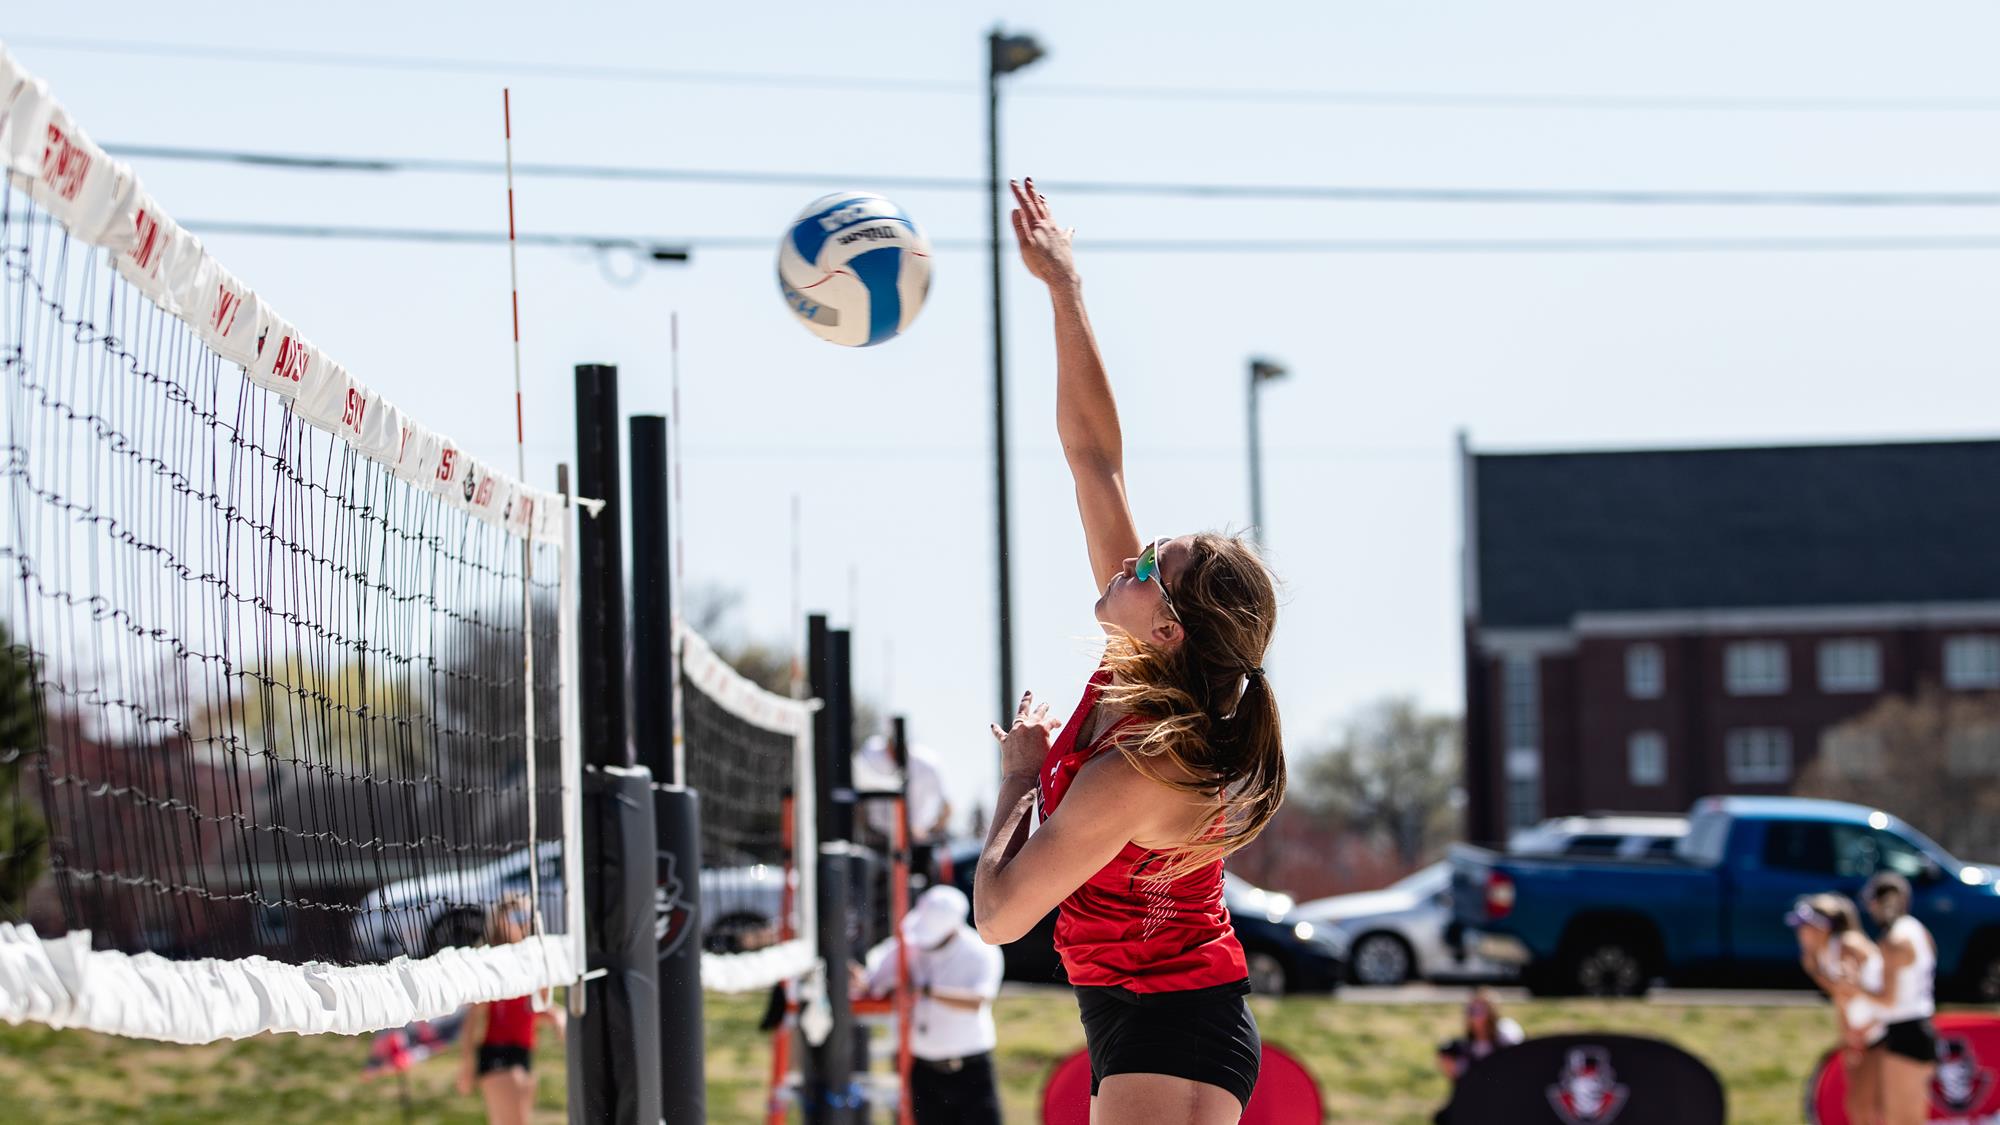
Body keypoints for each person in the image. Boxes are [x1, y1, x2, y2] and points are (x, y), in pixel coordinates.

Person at [973, 177, 1287, 1125]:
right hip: (1159, 1016)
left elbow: (998, 916)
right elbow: (1095, 458)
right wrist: (1064, 288)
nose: (1135, 554)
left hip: (1165, 1030)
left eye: (1155, 562)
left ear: (1171, 626)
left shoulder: (1143, 763)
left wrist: (1019, 777)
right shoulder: (1142, 661)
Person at [851, 884, 1005, 1124]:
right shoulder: (908, 946)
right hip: (922, 1068)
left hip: (970, 1066)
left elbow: (978, 1001)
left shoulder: (980, 951)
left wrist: (925, 991)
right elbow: (870, 981)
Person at [1833, 872, 1938, 1125]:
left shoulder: (1894, 941)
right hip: (1916, 1029)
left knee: (1901, 1120)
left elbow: (1889, 1001)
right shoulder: (1918, 930)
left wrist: (1854, 988)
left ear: (1877, 903)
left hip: (1906, 1033)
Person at [456, 894, 563, 1125]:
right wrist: (467, 1065)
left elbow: (533, 1009)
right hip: (498, 1055)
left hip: (522, 1054)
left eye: (527, 916)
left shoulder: (530, 963)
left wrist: (557, 1016)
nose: (525, 922)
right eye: (519, 916)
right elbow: (473, 1020)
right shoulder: (493, 966)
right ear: (502, 921)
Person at [1789, 893, 1883, 1124]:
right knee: (1857, 1106)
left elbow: (1886, 991)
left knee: (1874, 1108)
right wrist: (1847, 1035)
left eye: (1805, 926)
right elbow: (1840, 998)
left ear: (1823, 927)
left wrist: (1863, 1029)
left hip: (1884, 1032)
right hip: (1863, 1034)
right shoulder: (1816, 956)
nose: (1799, 932)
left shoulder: (1848, 944)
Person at [858, 731, 953, 882]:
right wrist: (867, 829)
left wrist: (928, 831)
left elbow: (947, 807)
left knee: (921, 884)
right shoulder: (871, 754)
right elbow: (860, 800)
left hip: (917, 841)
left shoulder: (928, 763)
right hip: (880, 838)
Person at [1432, 989, 1525, 1124]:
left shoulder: (1505, 1033)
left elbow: (1518, 1062)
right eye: (1470, 1010)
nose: (1473, 1015)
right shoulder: (1469, 1047)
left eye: (1479, 1010)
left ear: (1491, 1011)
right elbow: (1463, 1080)